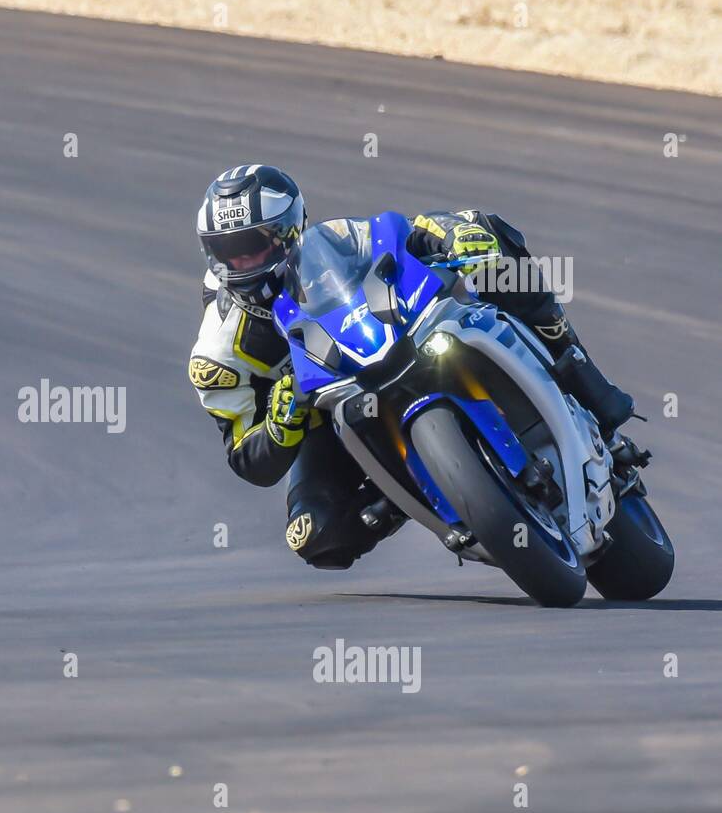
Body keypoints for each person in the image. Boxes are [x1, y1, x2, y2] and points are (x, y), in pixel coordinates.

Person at [188, 163, 634, 569]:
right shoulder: (219, 350)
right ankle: (420, 493)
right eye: (226, 252)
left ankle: (583, 373)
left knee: (486, 233)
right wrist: (282, 423)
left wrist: (449, 237)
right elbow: (247, 459)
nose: (240, 263)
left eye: (249, 247)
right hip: (327, 415)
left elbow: (396, 235)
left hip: (397, 342)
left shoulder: (332, 242)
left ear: (287, 232)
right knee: (314, 533)